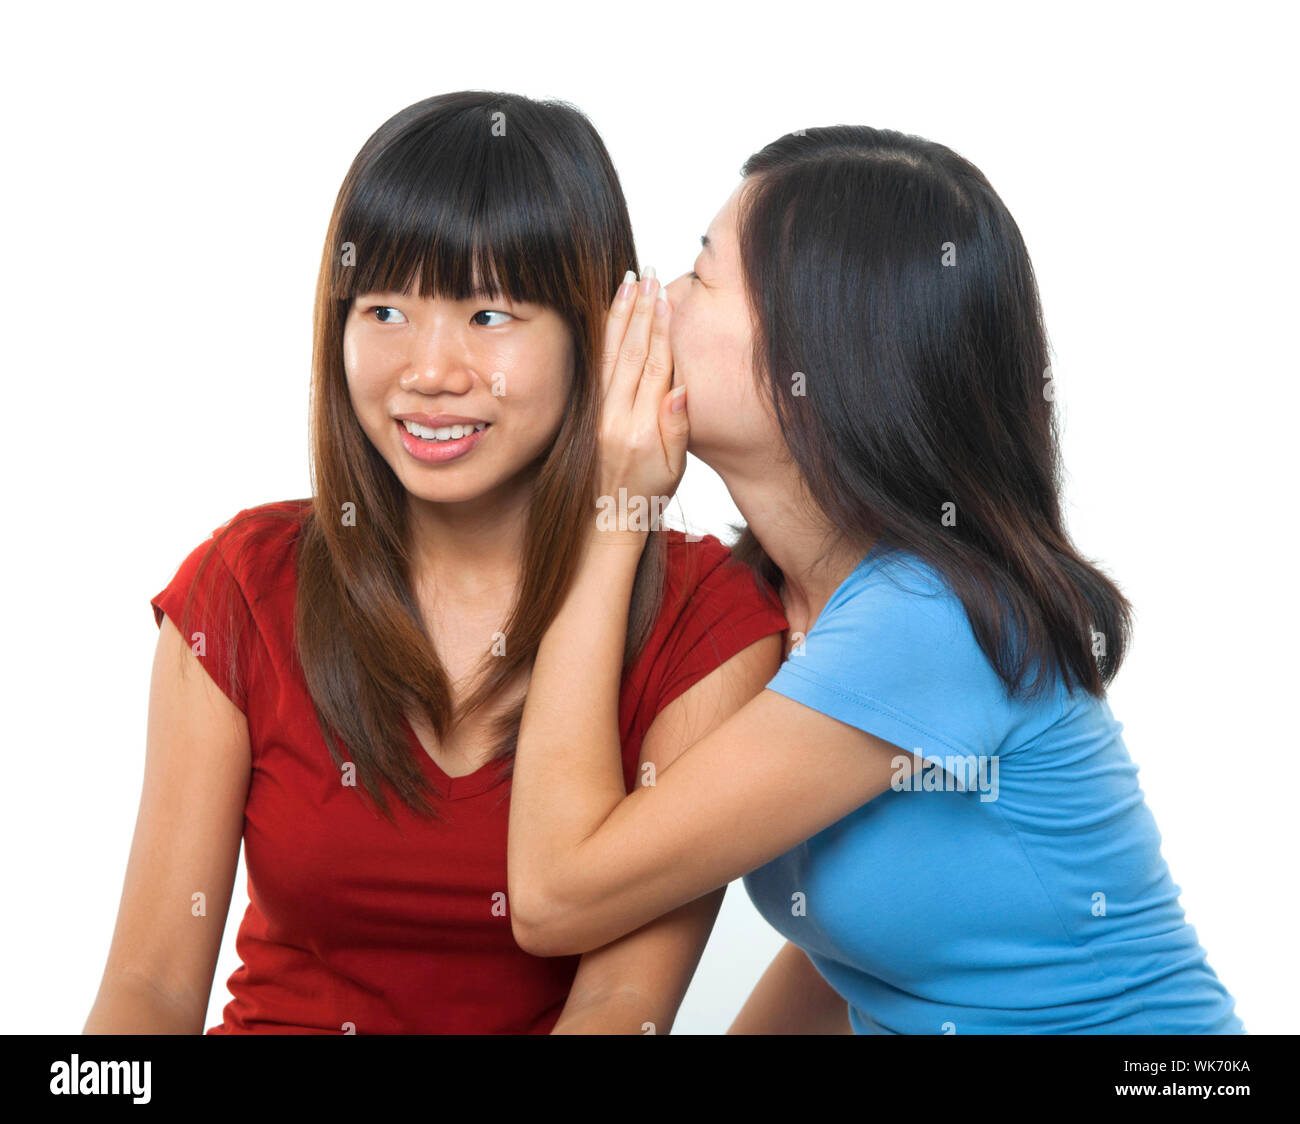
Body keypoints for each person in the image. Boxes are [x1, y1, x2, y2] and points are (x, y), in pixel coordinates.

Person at [506, 125, 1246, 1035]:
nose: (656, 302)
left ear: (814, 357)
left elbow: (551, 896)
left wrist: (610, 516)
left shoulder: (928, 617)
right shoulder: (780, 607)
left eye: (700, 276)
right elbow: (854, 952)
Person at [84, 91, 788, 1035]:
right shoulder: (240, 587)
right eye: (384, 309)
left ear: (599, 331)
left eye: (490, 314)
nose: (428, 371)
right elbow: (151, 990)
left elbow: (623, 1007)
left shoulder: (706, 620)